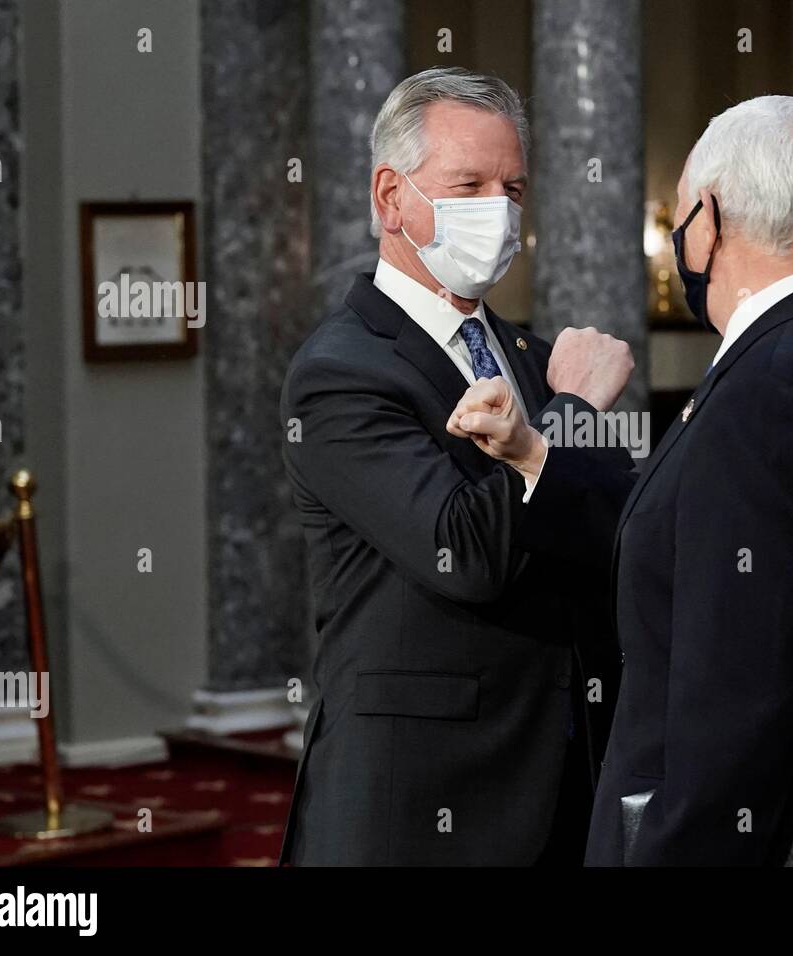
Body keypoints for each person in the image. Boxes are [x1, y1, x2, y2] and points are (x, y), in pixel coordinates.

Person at [458, 95, 793, 865]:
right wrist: (539, 454)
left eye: (683, 213)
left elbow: (743, 709)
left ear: (710, 222)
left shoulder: (773, 386)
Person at [278, 67, 636, 866]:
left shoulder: (533, 360)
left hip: (561, 781)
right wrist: (573, 416)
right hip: (418, 800)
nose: (498, 210)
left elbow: (614, 532)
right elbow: (463, 554)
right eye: (468, 183)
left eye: (513, 187)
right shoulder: (341, 372)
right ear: (390, 196)